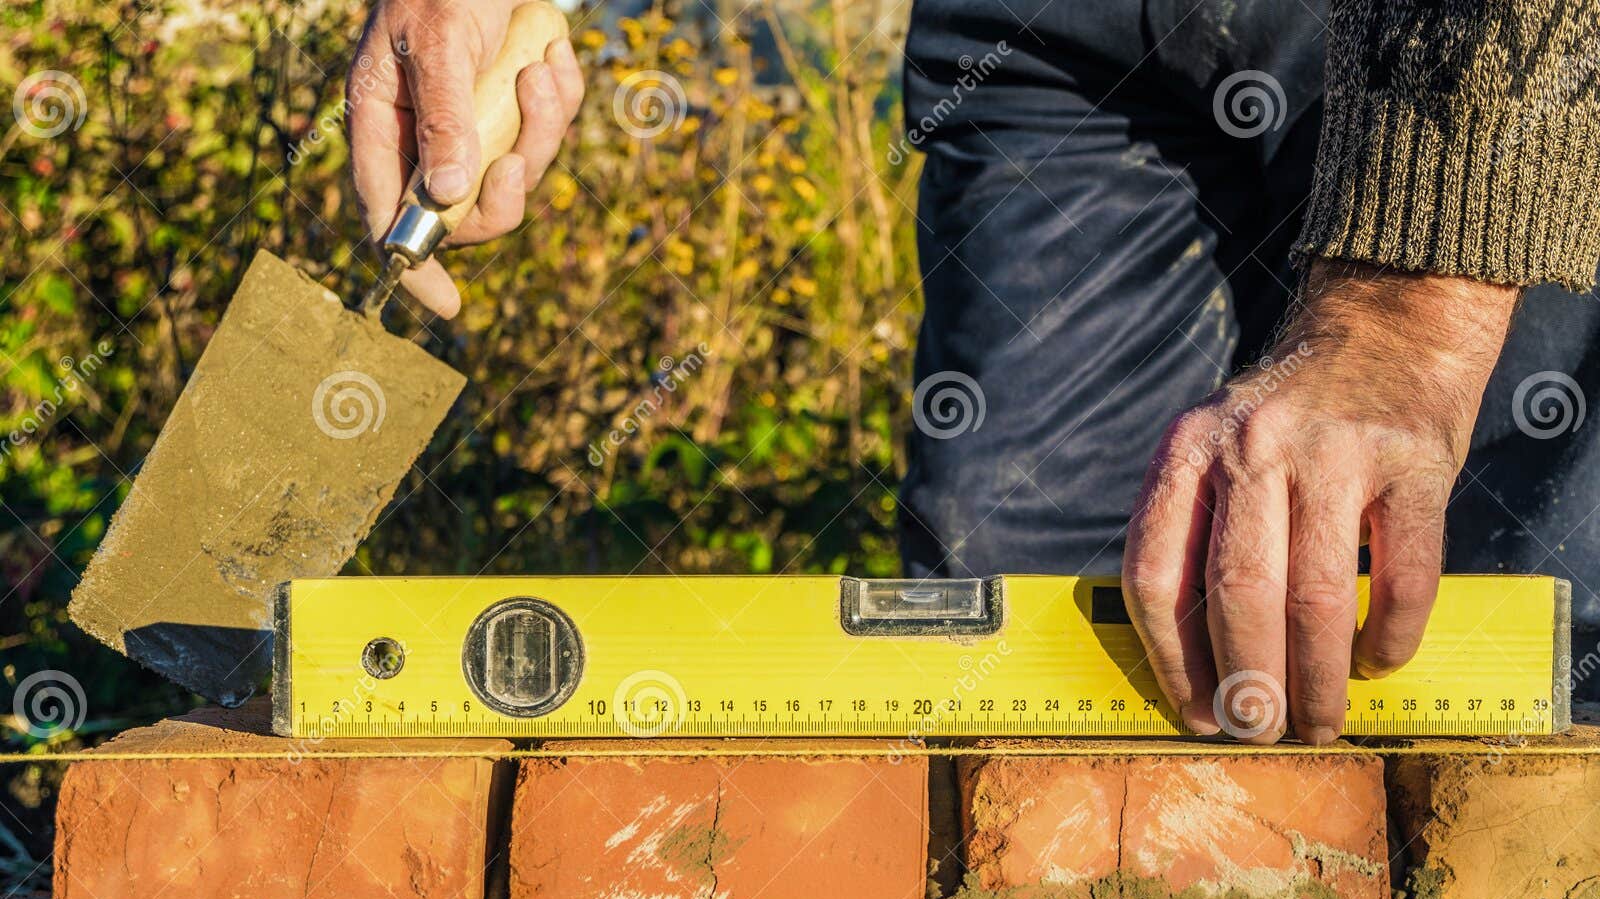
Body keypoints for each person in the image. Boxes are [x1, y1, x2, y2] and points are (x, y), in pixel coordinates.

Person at [348, 0, 1600, 743]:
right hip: (1046, 37)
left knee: (1486, 634)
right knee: (1028, 636)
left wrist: (1405, 316)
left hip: (1457, 41)